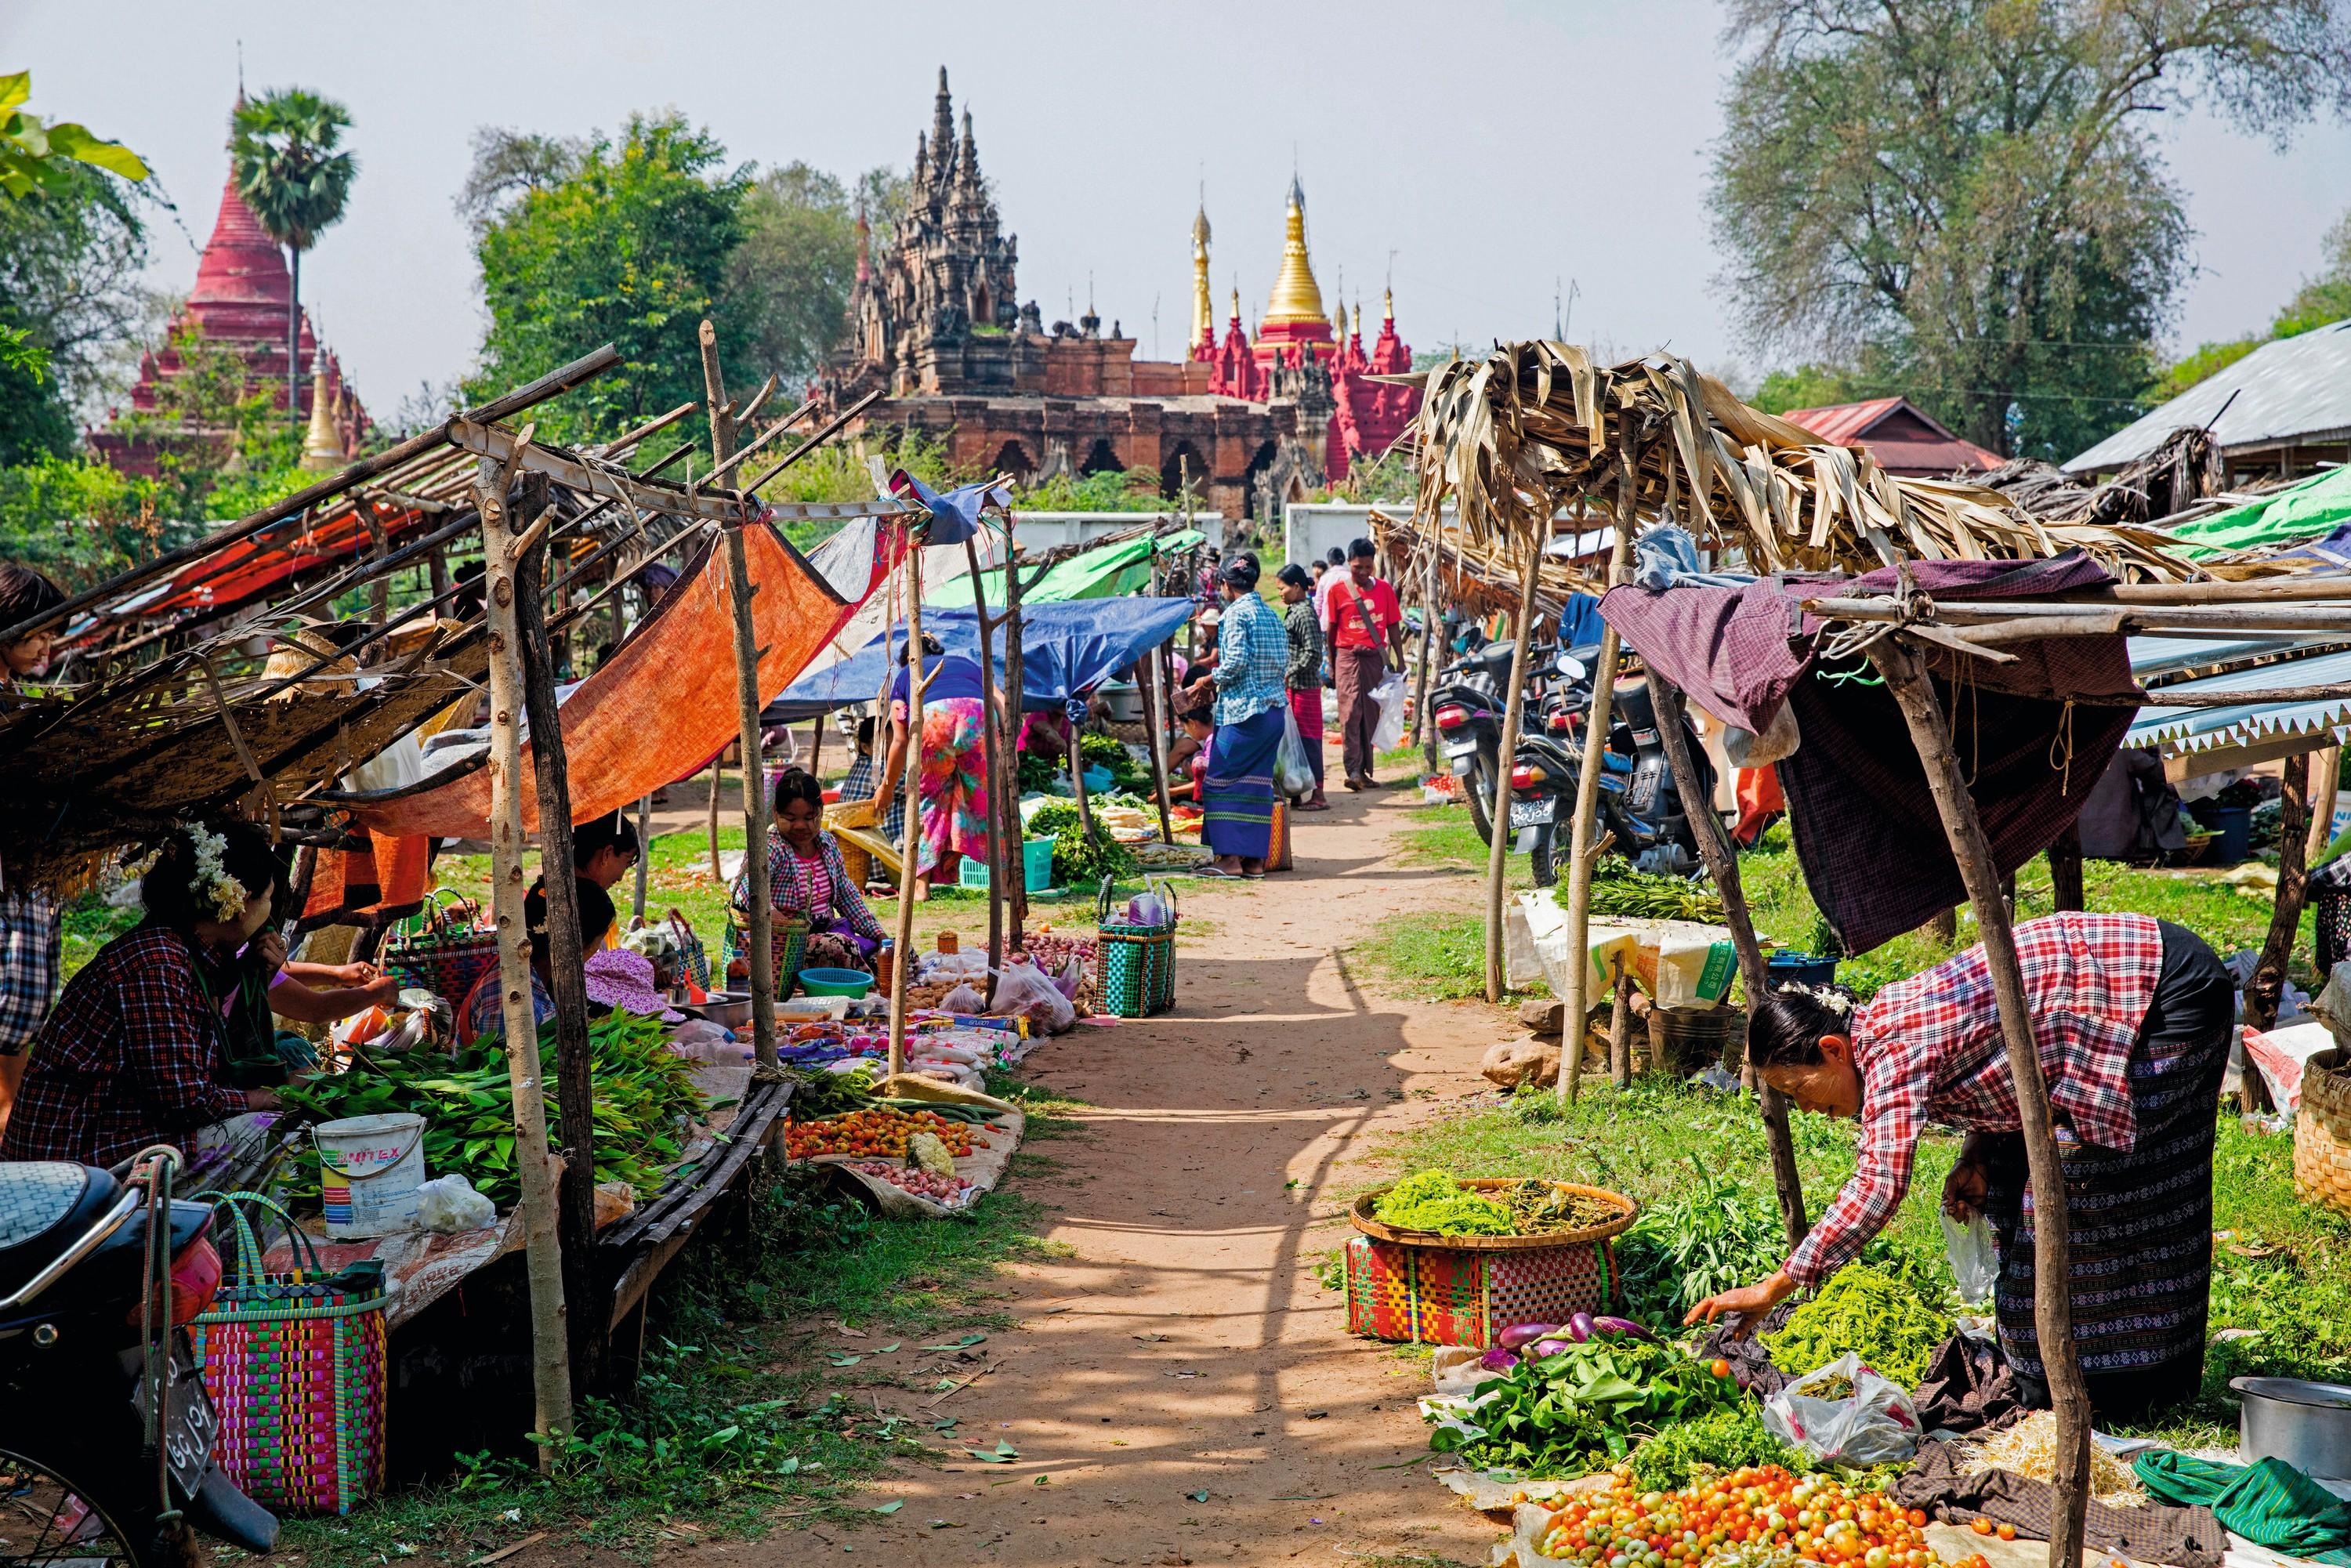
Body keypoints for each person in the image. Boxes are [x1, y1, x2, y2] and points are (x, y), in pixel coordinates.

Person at [1686, 912, 2233, 1423]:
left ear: (1833, 1049)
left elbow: (1878, 1187)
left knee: (2089, 1194)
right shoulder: (1880, 1036)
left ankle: (2133, 1386)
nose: (1806, 1108)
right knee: (2015, 1182)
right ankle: (2067, 1376)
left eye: (1799, 1089)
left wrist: (1774, 1287)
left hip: (2158, 992)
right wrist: (1975, 1154)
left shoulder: (1892, 1050)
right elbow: (2001, 1059)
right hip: (2102, 995)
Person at [0, 821, 290, 1166]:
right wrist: (269, 1099)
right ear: (240, 902)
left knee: (290, 1052)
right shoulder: (157, 963)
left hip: (107, 1136)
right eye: (267, 898)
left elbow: (215, 1060)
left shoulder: (186, 953)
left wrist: (257, 978)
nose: (268, 912)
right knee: (279, 1135)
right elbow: (186, 1099)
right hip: (74, 1160)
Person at [0, 563, 67, 1135]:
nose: (47, 646)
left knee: (20, 1016)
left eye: (51, 634)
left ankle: (13, 1132)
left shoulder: (17, 698)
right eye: (37, 634)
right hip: (8, 876)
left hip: (26, 877)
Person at [1181, 557, 1288, 878]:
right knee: (1257, 784)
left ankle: (1228, 859)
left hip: (1244, 714)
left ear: (1226, 585)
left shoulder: (1235, 615)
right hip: (1273, 713)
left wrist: (1207, 679)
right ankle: (1253, 861)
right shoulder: (1271, 614)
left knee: (1219, 783)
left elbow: (1236, 662)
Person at [737, 767, 886, 976]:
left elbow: (847, 897)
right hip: (784, 947)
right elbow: (745, 888)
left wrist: (879, 935)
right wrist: (773, 915)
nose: (800, 826)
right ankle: (867, 986)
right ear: (775, 813)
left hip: (827, 934)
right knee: (840, 947)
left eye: (809, 818)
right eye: (790, 818)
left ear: (821, 812)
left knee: (891, 951)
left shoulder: (827, 843)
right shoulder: (771, 848)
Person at [872, 636, 992, 893]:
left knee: (928, 801)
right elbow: (999, 699)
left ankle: (921, 887)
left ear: (907, 659)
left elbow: (900, 741)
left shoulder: (906, 675)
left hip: (935, 717)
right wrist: (1006, 741)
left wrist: (886, 787)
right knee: (984, 798)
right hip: (979, 714)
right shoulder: (967, 664)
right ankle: (1003, 884)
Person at [458, 878, 618, 1045]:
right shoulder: (512, 1004)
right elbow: (500, 1059)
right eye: (599, 940)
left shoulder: (540, 972)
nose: (597, 949)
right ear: (577, 943)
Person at [1324, 538, 1403, 791]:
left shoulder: (1385, 590)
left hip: (1374, 659)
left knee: (1370, 715)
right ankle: (1353, 770)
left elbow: (1393, 626)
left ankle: (1365, 770)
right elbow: (1331, 630)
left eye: (1368, 567)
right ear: (1349, 563)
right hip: (1347, 657)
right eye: (1358, 567)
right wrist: (1331, 663)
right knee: (1350, 714)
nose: (1363, 572)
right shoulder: (1337, 590)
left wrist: (1400, 660)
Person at [1275, 564, 1330, 811]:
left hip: (1304, 688)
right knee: (1293, 741)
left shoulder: (1305, 614)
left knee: (1308, 740)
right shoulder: (1295, 610)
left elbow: (1313, 653)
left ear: (1297, 586)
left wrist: (1291, 671)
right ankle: (1296, 790)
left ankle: (1318, 794)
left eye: (1283, 588)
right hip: (1294, 686)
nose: (1280, 593)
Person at [839, 715, 880, 802]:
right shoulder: (880, 767)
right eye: (885, 744)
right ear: (865, 747)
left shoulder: (859, 763)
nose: (892, 748)